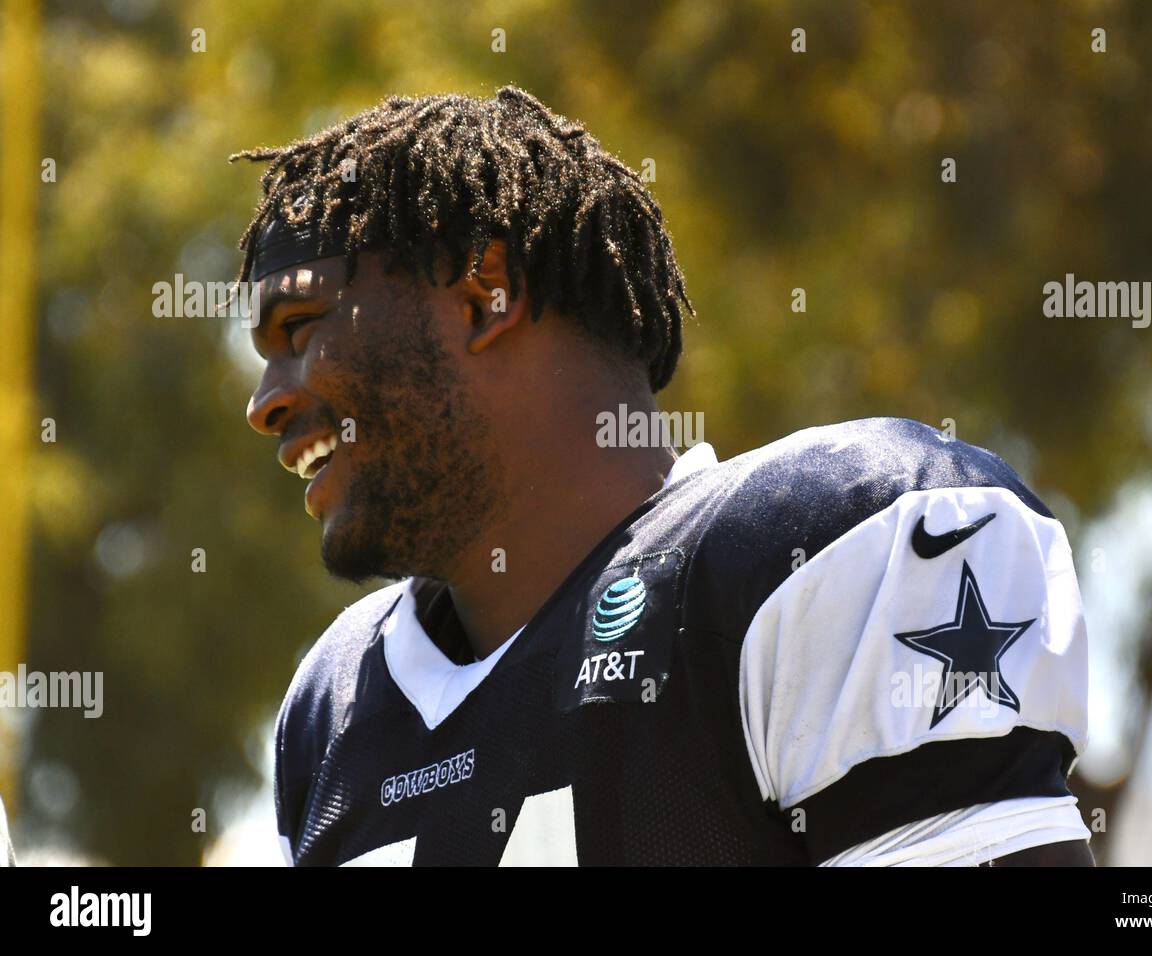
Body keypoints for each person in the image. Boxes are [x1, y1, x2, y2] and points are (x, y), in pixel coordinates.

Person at [236, 87, 1092, 866]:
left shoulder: (822, 549)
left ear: (484, 297)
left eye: (303, 328)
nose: (266, 404)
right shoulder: (335, 707)